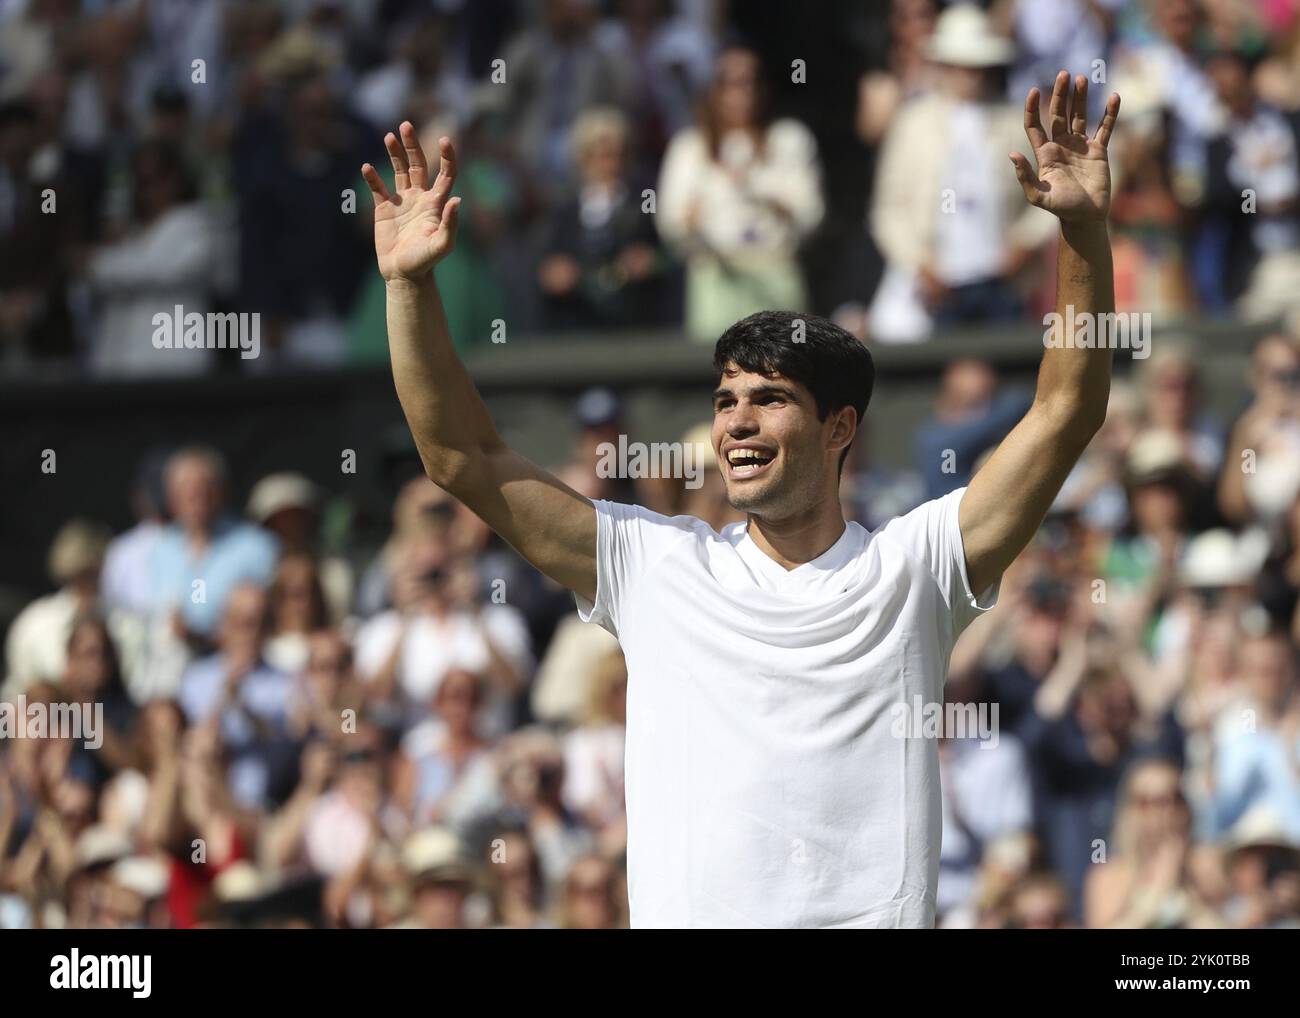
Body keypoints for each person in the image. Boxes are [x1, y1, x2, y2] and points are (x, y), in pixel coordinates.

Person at [360, 68, 1123, 928]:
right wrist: (410, 288)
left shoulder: (916, 570)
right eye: (725, 401)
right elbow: (459, 454)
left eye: (769, 399)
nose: (737, 423)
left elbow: (1066, 412)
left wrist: (1084, 237)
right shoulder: (651, 564)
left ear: (840, 429)